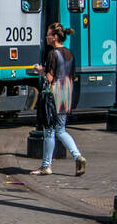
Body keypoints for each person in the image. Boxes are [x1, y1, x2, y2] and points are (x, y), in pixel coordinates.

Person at [30, 22, 86, 177]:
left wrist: (40, 70)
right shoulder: (70, 54)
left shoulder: (52, 54)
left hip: (53, 95)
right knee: (61, 129)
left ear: (54, 37)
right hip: (66, 94)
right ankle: (77, 156)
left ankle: (46, 166)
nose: (46, 37)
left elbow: (49, 78)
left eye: (48, 34)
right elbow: (72, 76)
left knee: (49, 131)